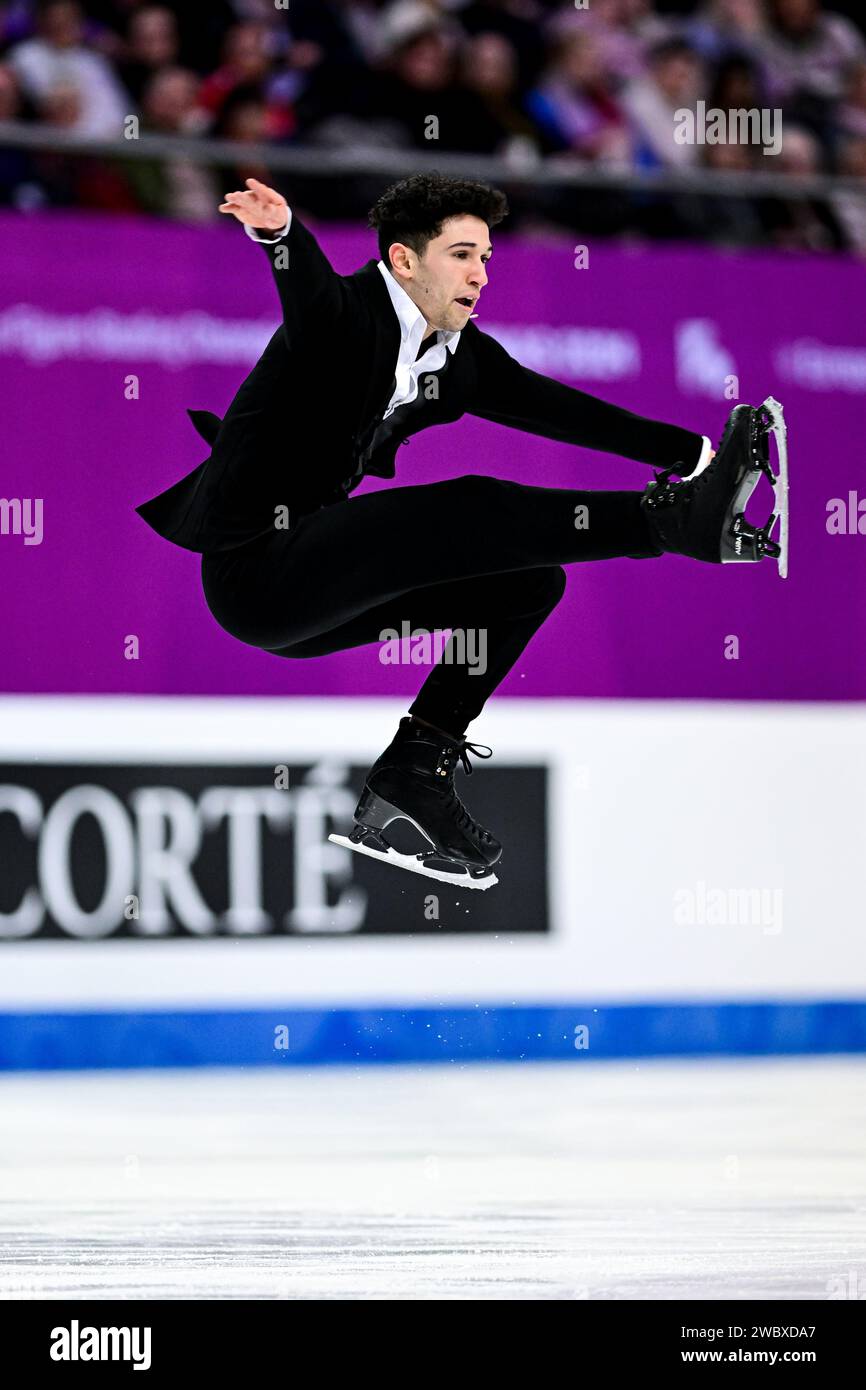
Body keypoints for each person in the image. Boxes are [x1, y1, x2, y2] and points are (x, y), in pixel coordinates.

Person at [135, 172, 786, 890]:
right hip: (257, 574)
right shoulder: (348, 318)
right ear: (405, 261)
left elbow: (557, 409)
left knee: (526, 584)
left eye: (486, 259)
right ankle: (672, 524)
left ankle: (416, 769)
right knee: (473, 506)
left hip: (317, 591)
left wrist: (693, 456)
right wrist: (282, 235)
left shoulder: (457, 358)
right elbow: (311, 295)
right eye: (462, 255)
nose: (480, 275)